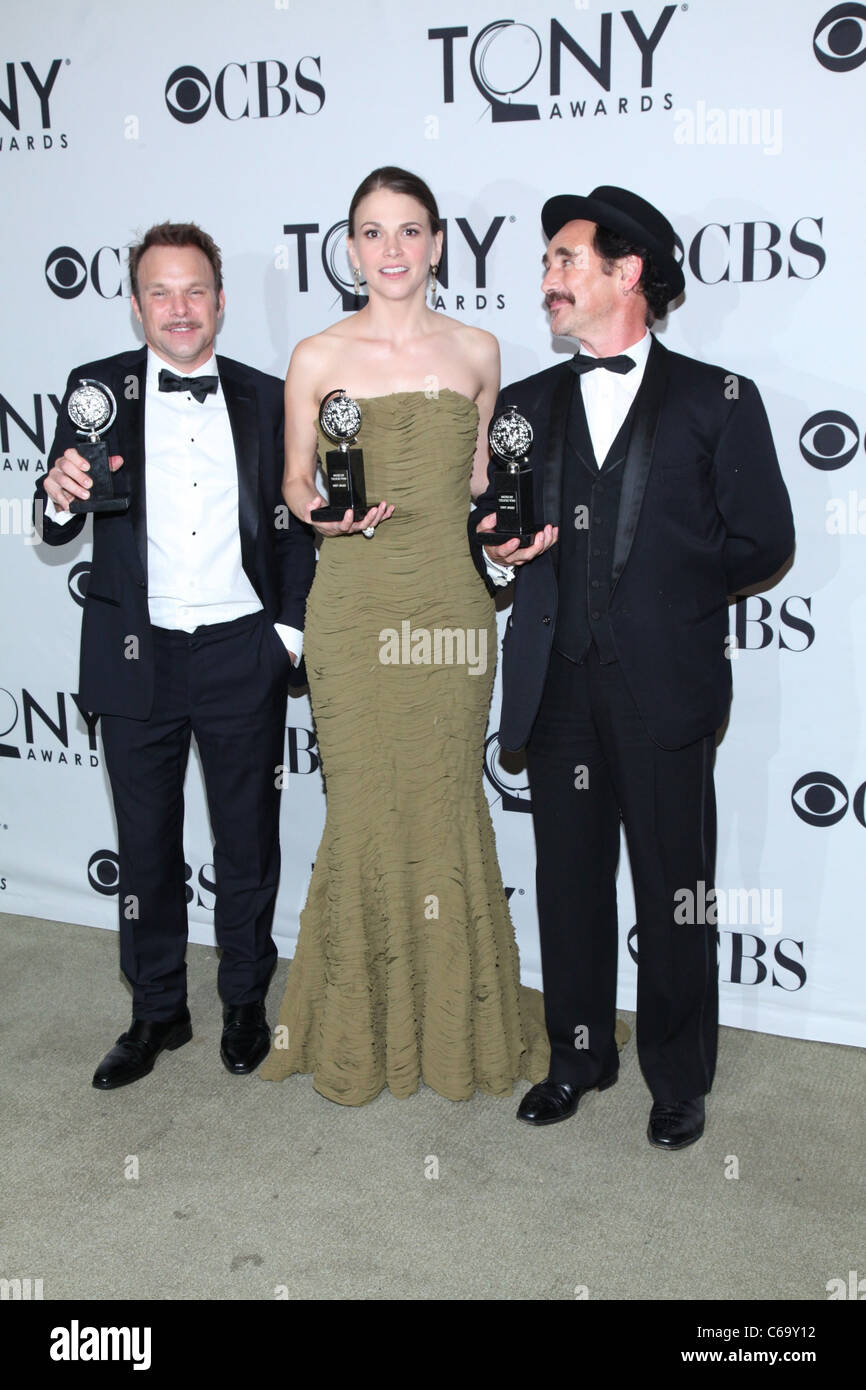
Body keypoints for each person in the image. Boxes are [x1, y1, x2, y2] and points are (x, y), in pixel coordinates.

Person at [470, 186, 795, 1148]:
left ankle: (678, 1080)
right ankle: (577, 1057)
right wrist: (496, 552)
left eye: (566, 261)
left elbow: (764, 539)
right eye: (547, 264)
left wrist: (671, 603)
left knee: (674, 890)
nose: (547, 280)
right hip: (560, 685)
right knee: (568, 887)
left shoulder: (717, 398)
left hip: (665, 690)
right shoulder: (526, 405)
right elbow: (490, 533)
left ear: (629, 273)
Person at [259, 166, 549, 1105]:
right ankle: (361, 1028)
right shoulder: (315, 354)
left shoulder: (478, 350)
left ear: (435, 244)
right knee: (366, 803)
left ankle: (458, 1029)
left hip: (450, 608)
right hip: (350, 603)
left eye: (410, 230)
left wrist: (513, 529)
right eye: (374, 233)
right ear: (349, 247)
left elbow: (479, 480)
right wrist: (321, 518)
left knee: (442, 798)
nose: (393, 250)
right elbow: (298, 483)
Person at [34, 222, 315, 1089]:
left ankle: (241, 1001)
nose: (179, 308)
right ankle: (157, 1011)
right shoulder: (96, 391)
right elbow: (59, 517)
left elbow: (302, 529)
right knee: (145, 847)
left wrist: (286, 637)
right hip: (134, 654)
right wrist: (52, 499)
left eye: (196, 290)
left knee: (247, 841)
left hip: (241, 649)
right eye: (161, 291)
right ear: (135, 305)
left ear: (221, 302)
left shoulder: (270, 397)